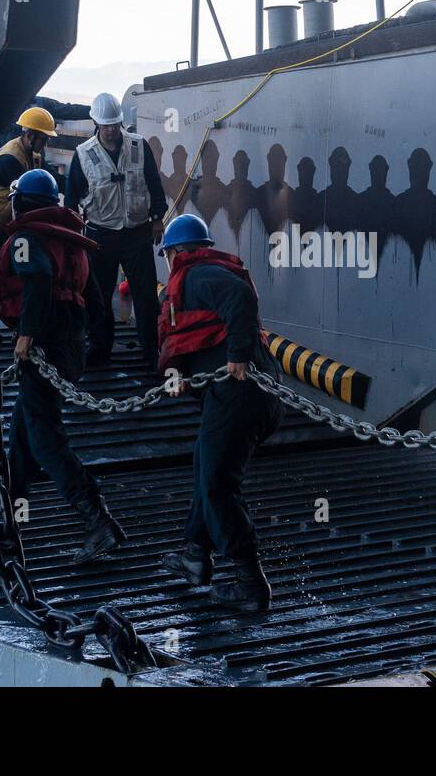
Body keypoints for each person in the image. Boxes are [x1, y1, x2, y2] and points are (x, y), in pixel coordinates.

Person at [0, 169, 126, 563]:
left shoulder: (25, 240)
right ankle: (10, 514)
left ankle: (98, 520)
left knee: (45, 439)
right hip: (69, 348)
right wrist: (80, 339)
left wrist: (27, 334)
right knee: (22, 430)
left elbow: (37, 280)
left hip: (43, 347)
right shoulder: (72, 245)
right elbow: (97, 303)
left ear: (21, 202)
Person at [155, 214, 284, 611]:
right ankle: (194, 555)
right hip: (247, 396)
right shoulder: (201, 275)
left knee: (216, 482)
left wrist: (238, 355)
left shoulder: (196, 276)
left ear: (176, 252)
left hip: (240, 394)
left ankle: (250, 583)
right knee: (204, 466)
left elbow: (239, 299)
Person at [65, 92, 167, 373]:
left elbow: (154, 185)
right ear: (96, 123)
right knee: (98, 296)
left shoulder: (138, 146)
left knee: (145, 297)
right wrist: (73, 235)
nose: (111, 130)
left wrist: (158, 218)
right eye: (106, 125)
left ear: (121, 122)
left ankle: (151, 349)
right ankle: (100, 348)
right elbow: (71, 198)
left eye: (115, 124)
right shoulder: (84, 154)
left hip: (137, 233)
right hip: (101, 235)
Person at [0, 107, 59, 243]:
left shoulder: (32, 153)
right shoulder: (10, 159)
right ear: (29, 136)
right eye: (43, 140)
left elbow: (52, 176)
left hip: (11, 217)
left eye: (47, 140)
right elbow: (29, 197)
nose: (45, 144)